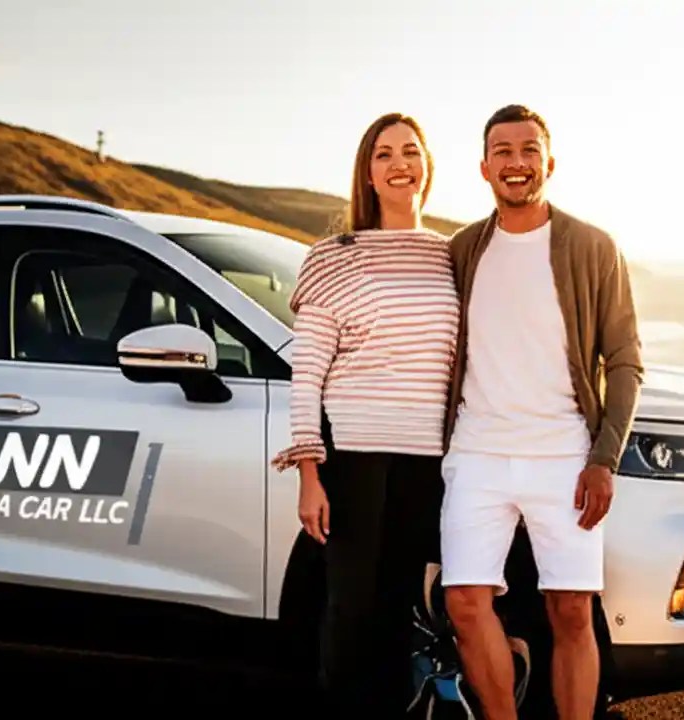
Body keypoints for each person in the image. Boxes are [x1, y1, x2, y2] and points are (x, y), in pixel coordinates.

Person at [439, 104, 643, 720]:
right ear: (483, 167)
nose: (516, 162)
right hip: (477, 452)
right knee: (466, 604)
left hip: (564, 457)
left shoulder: (592, 247)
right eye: (503, 151)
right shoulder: (462, 250)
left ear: (549, 162)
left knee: (571, 610)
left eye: (528, 150)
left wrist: (604, 458)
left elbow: (625, 360)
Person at [270, 112, 458, 717]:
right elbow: (308, 373)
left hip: (427, 462)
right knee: (349, 612)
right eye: (383, 154)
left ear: (427, 166)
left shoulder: (451, 258)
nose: (398, 163)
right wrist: (309, 474)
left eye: (409, 151)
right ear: (368, 174)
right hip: (354, 458)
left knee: (401, 612)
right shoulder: (334, 257)